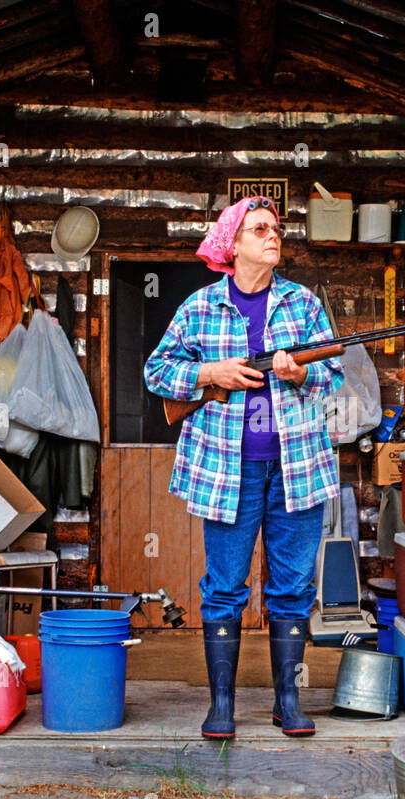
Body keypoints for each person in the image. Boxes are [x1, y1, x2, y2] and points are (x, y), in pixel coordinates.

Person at [144, 196, 343, 738]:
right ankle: (223, 706)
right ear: (233, 245)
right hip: (227, 470)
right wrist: (212, 373)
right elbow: (157, 372)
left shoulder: (302, 304)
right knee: (226, 587)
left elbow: (336, 378)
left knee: (294, 588)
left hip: (297, 467)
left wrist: (300, 375)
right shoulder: (199, 308)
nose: (273, 236)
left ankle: (287, 701)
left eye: (276, 229)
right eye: (260, 229)